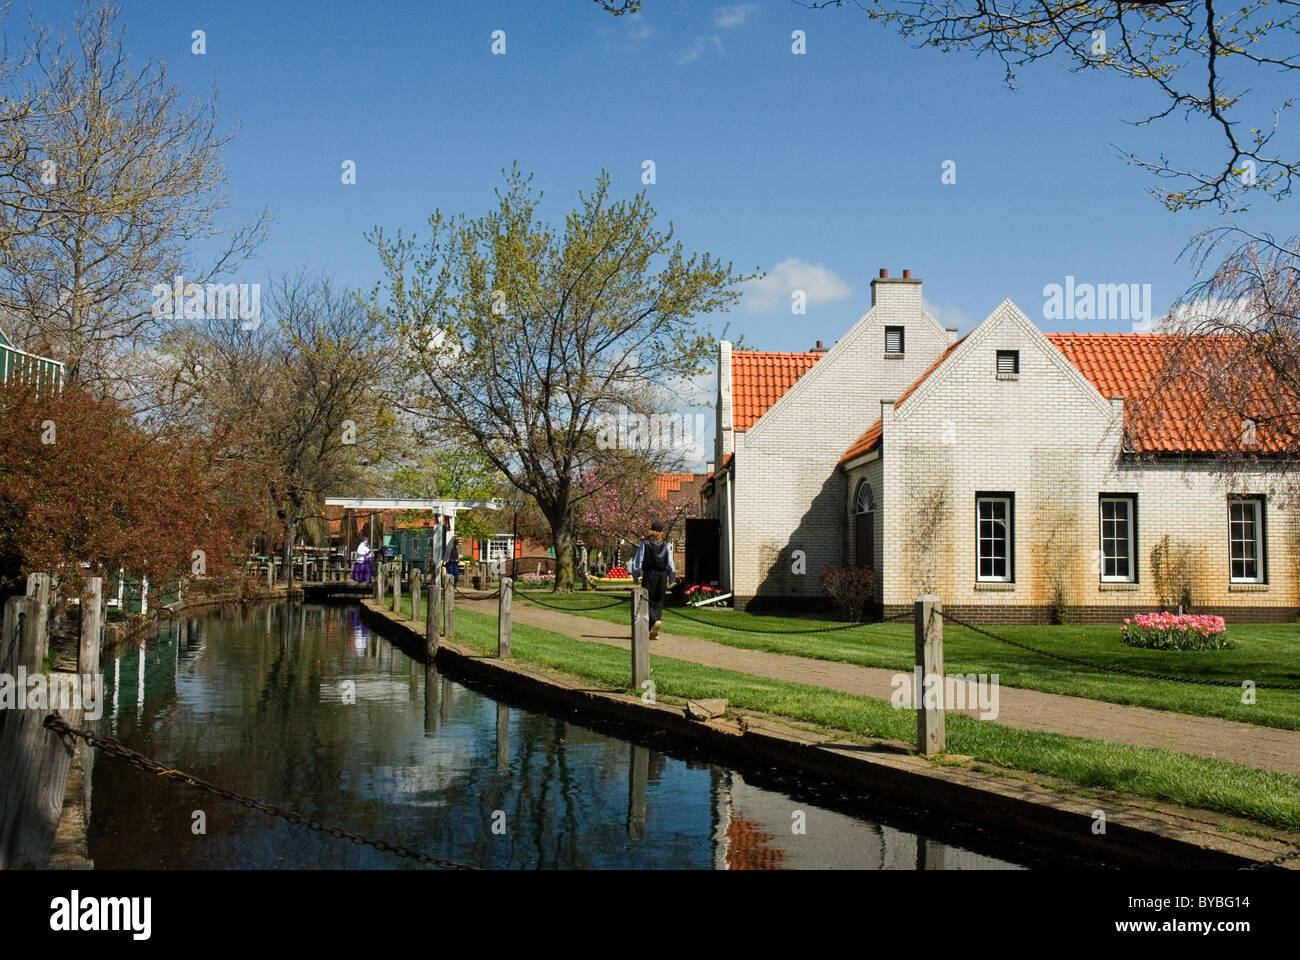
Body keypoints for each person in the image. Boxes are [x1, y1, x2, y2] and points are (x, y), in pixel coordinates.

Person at [630, 521, 675, 640]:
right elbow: (670, 562)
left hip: (649, 574)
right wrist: (671, 577)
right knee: (659, 602)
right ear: (661, 532)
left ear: (651, 531)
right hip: (662, 575)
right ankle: (654, 628)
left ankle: (654, 622)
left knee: (647, 601)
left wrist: (635, 575)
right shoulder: (666, 544)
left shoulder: (645, 543)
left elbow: (638, 560)